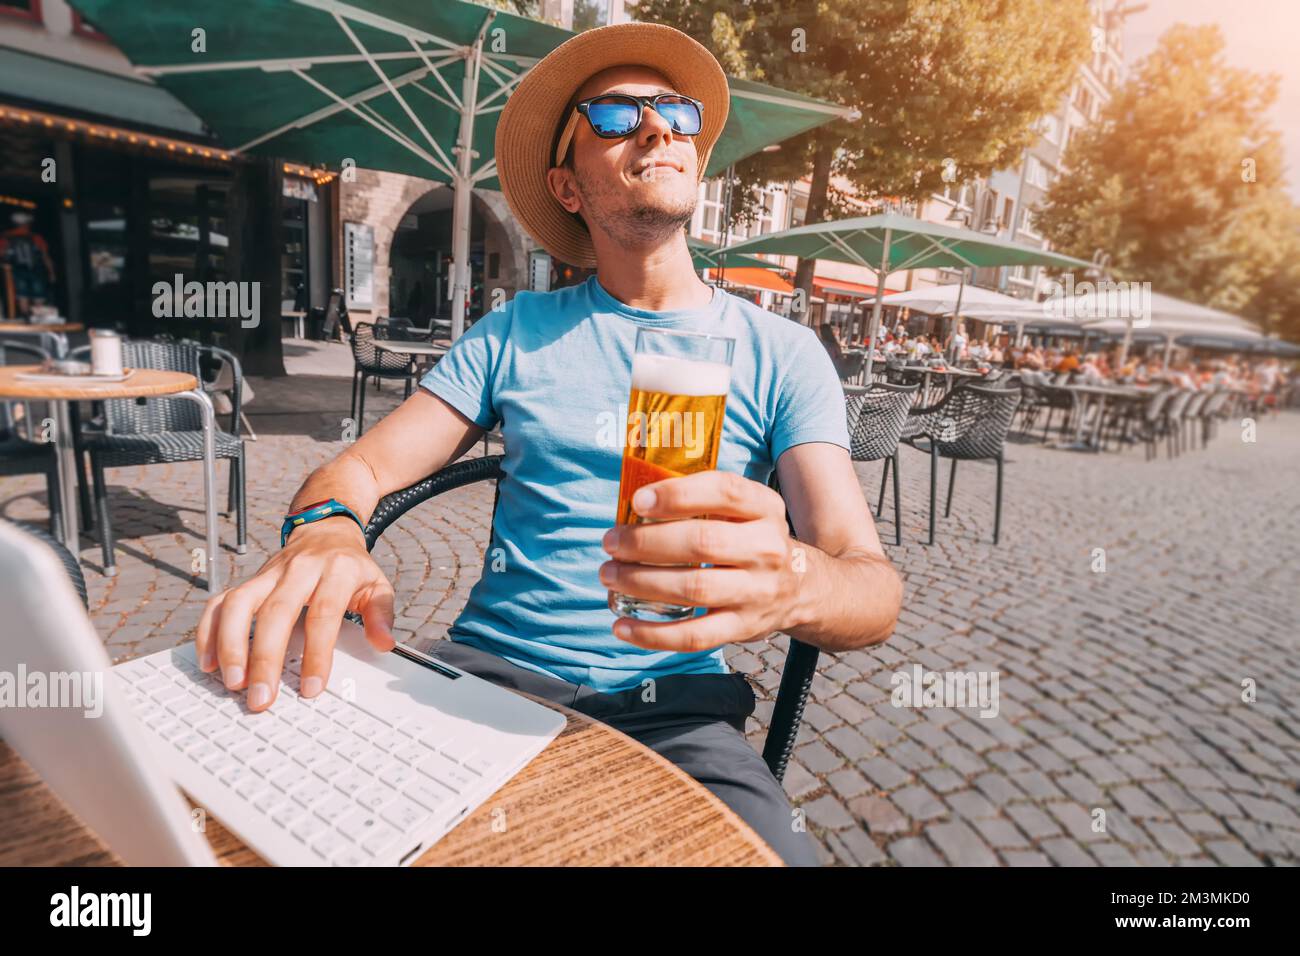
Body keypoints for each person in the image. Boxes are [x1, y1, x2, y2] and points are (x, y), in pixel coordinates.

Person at [195, 22, 901, 868]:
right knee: (305, 829)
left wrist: (795, 580)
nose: (657, 127)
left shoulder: (781, 352)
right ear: (567, 187)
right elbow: (360, 467)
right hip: (490, 679)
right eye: (613, 116)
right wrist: (328, 529)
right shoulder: (516, 331)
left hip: (677, 705)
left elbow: (871, 587)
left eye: (675, 112)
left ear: (697, 160)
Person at [0, 210, 56, 316]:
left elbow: (2, 253)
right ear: (27, 224)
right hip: (35, 269)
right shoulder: (36, 237)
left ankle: (26, 317)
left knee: (22, 294)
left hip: (16, 270)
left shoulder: (5, 238)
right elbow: (45, 256)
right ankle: (38, 317)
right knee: (38, 294)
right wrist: (51, 273)